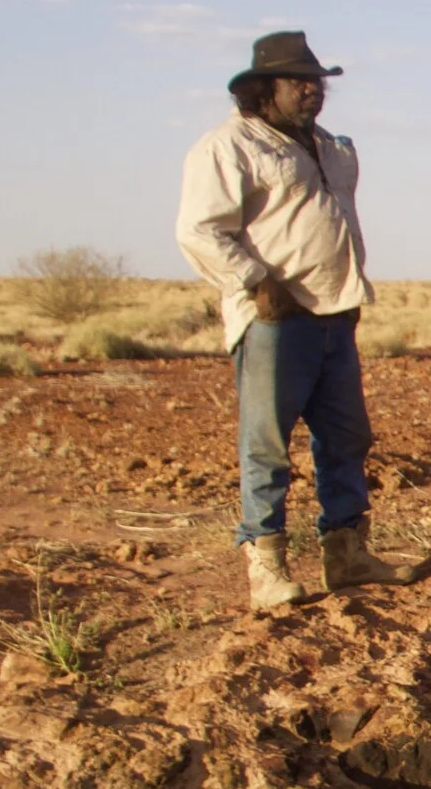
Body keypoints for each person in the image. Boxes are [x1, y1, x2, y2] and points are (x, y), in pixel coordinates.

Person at [176, 30, 416, 611]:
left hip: (335, 312)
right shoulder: (230, 145)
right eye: (298, 82)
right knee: (267, 443)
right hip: (275, 319)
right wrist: (256, 280)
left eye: (316, 82)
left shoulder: (329, 146)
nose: (312, 91)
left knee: (347, 437)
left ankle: (347, 552)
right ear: (264, 89)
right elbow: (199, 229)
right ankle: (266, 566)